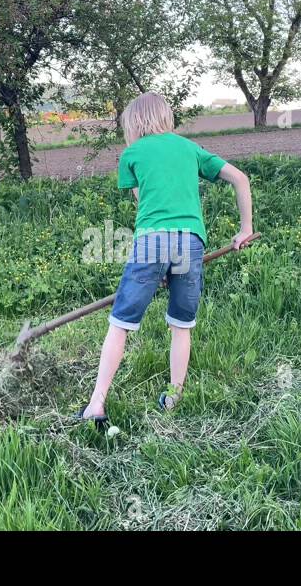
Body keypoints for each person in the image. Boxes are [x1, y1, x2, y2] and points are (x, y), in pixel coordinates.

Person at [76, 92, 254, 428]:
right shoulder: (189, 148)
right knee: (180, 324)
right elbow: (240, 178)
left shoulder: (131, 154)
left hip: (151, 242)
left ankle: (97, 402)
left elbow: (144, 204)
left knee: (120, 323)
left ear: (133, 124)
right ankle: (174, 397)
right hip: (189, 243)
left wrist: (155, 266)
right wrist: (245, 229)